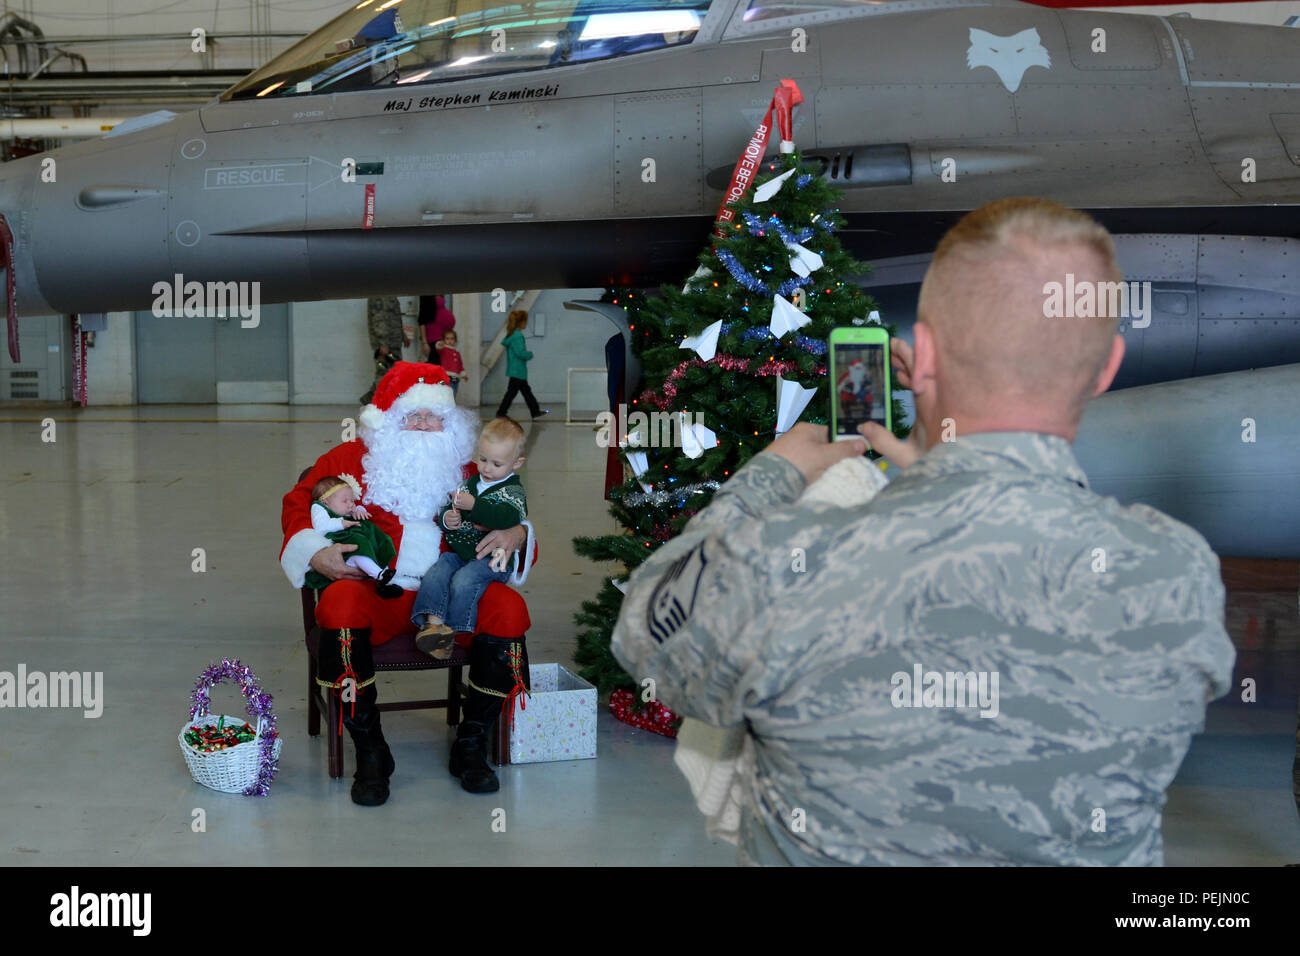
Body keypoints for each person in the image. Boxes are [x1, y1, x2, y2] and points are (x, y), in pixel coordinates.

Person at [610, 197, 1236, 866]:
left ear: (923, 355)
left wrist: (774, 473)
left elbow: (645, 628)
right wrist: (945, 475)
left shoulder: (784, 565)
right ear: (1107, 367)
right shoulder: (1175, 576)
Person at [281, 362, 538, 804]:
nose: (422, 425)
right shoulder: (349, 460)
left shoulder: (471, 467)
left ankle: (471, 744)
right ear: (389, 420)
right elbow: (300, 499)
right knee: (340, 606)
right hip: (375, 589)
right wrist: (313, 549)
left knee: (510, 612)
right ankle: (372, 750)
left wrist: (519, 533)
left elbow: (511, 509)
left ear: (450, 423)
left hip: (454, 593)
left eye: (432, 416)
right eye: (411, 416)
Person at [413, 417, 528, 659]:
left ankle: (453, 631)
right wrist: (448, 519)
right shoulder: (470, 483)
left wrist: (475, 506)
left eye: (496, 464)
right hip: (461, 553)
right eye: (483, 459)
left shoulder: (513, 492)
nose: (486, 468)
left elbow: (506, 518)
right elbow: (448, 506)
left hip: (493, 559)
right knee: (438, 571)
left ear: (517, 463)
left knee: (465, 580)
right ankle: (432, 624)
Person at [304, 475, 402, 598]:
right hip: (339, 540)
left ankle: (385, 578)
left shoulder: (344, 508)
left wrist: (359, 510)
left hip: (352, 535)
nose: (350, 505)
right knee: (359, 545)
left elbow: (355, 508)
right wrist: (341, 523)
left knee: (377, 538)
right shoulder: (319, 508)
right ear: (325, 501)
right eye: (345, 501)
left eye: (352, 500)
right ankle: (379, 575)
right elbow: (321, 527)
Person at [496, 309, 548, 420]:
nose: (526, 323)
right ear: (521, 322)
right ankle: (501, 412)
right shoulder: (518, 336)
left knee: (525, 391)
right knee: (513, 393)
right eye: (525, 321)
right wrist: (529, 354)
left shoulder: (512, 335)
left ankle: (535, 411)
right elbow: (520, 353)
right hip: (518, 370)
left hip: (516, 370)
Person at [361, 296, 406, 404]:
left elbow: (393, 317)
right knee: (384, 374)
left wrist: (403, 335)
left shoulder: (388, 293)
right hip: (386, 344)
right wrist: (383, 343)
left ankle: (370, 399)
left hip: (393, 342)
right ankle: (378, 401)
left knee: (391, 372)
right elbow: (379, 320)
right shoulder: (380, 294)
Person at [418, 294, 456, 363]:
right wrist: (425, 343)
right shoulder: (426, 294)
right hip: (433, 339)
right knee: (435, 367)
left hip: (444, 339)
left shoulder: (440, 291)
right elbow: (422, 320)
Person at [438, 329, 466, 397]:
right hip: (446, 376)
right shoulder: (443, 349)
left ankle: (451, 404)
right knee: (446, 393)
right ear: (444, 340)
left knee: (454, 392)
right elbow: (438, 348)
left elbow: (460, 365)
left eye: (452, 339)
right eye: (447, 339)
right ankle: (447, 405)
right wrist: (440, 344)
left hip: (456, 377)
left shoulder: (457, 353)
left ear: (455, 341)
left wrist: (463, 374)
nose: (449, 341)